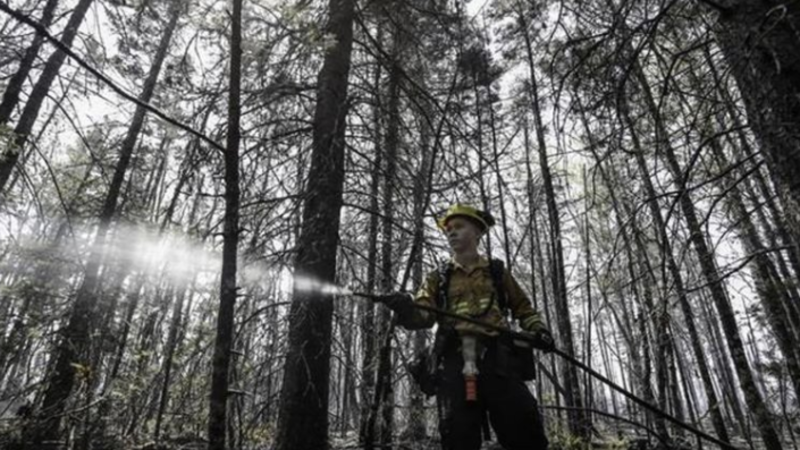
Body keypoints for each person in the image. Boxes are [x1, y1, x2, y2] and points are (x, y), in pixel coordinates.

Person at [377, 204, 554, 450]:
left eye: (459, 227)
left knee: (524, 429)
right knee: (457, 436)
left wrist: (540, 331)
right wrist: (405, 308)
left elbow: (523, 308)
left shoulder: (496, 271)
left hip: (499, 362)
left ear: (478, 232)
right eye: (448, 229)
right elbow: (423, 317)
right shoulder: (437, 278)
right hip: (454, 366)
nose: (452, 232)